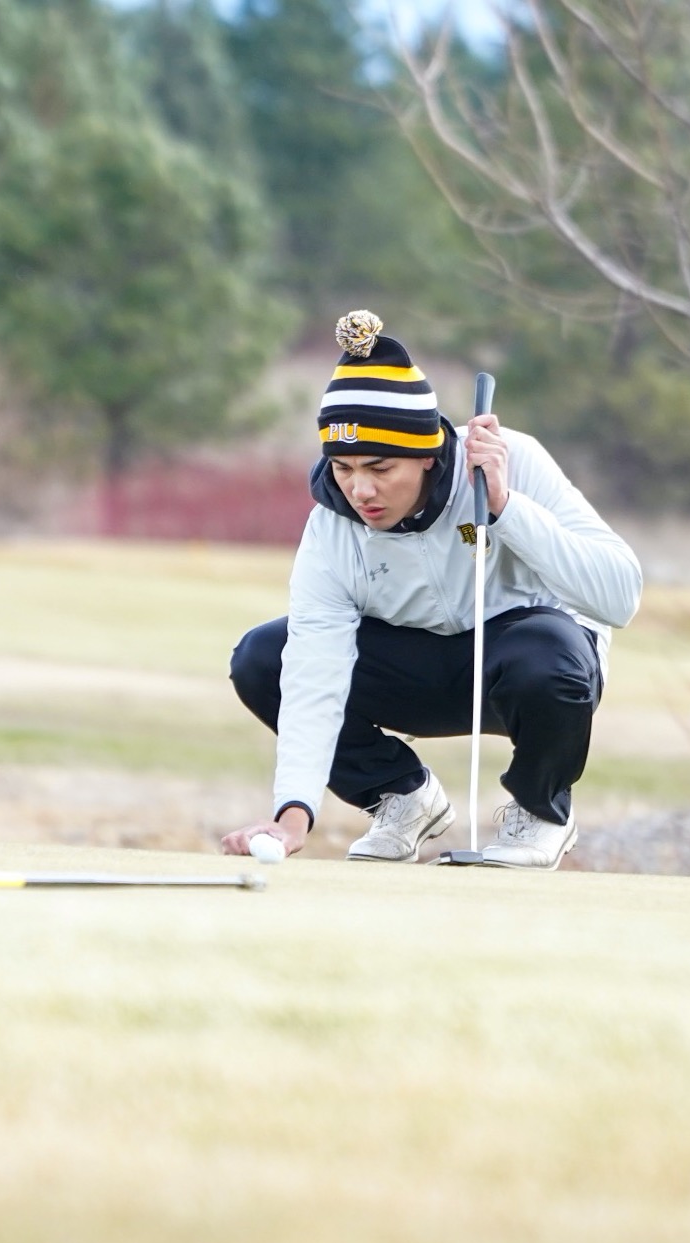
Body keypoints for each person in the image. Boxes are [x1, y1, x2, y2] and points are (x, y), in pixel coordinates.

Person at [220, 311, 642, 870]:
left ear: (425, 453)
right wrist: (292, 816)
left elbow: (619, 598)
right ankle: (402, 797)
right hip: (412, 671)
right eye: (343, 467)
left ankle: (541, 813)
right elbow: (313, 670)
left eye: (380, 467)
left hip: (524, 671)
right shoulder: (331, 528)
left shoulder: (511, 459)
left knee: (552, 649)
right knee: (263, 657)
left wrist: (506, 509)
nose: (359, 489)